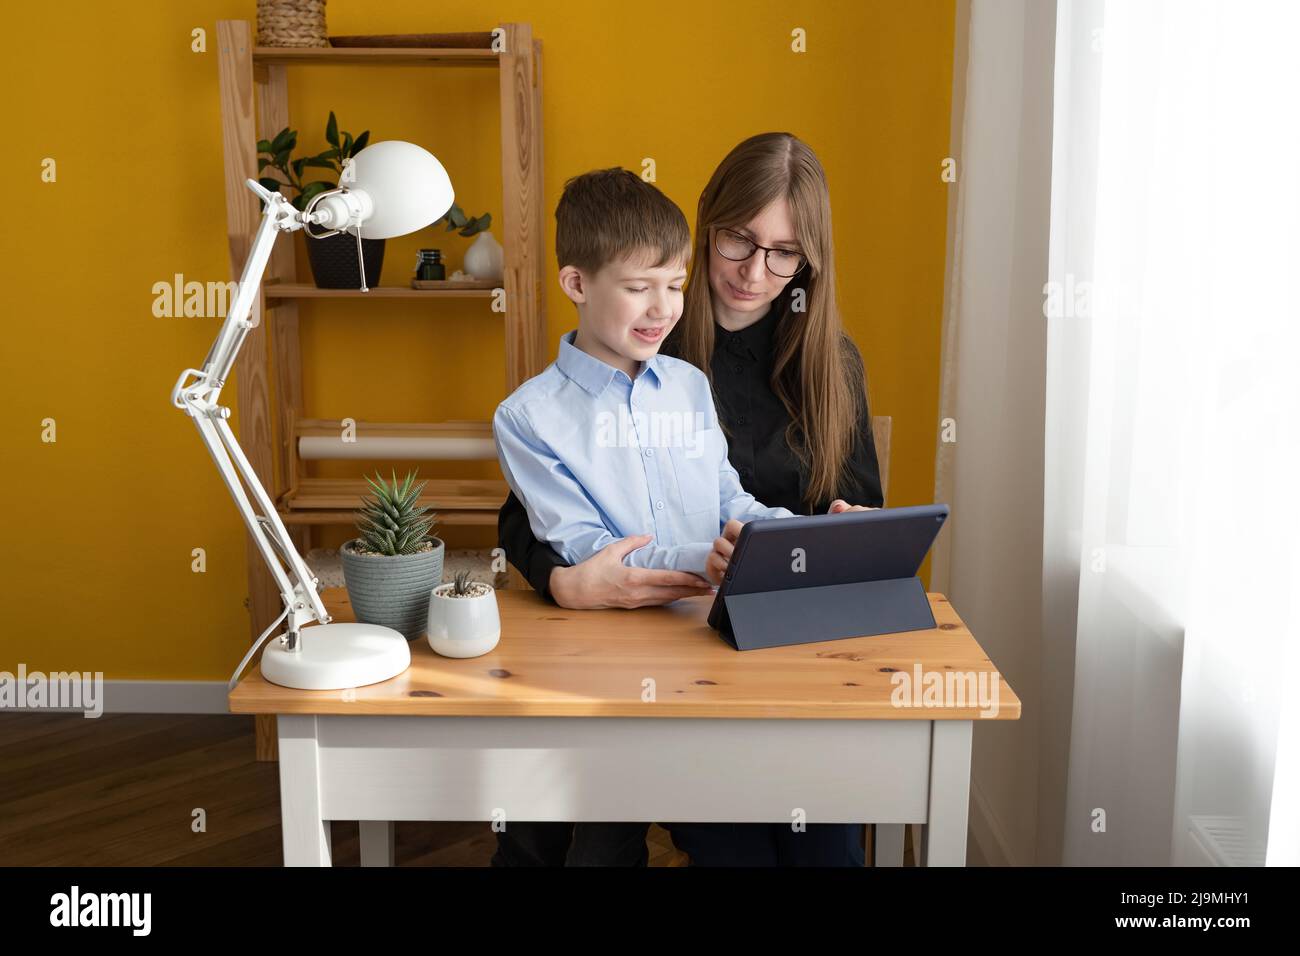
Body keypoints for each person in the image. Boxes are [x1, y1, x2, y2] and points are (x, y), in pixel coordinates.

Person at [497, 133, 883, 866]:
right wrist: (565, 578)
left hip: (784, 640)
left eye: (784, 253)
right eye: (740, 240)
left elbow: (832, 503)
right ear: (708, 224)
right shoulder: (641, 344)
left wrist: (839, 534)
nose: (755, 270)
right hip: (666, 638)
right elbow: (529, 515)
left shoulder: (829, 365)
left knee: (824, 837)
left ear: (808, 262)